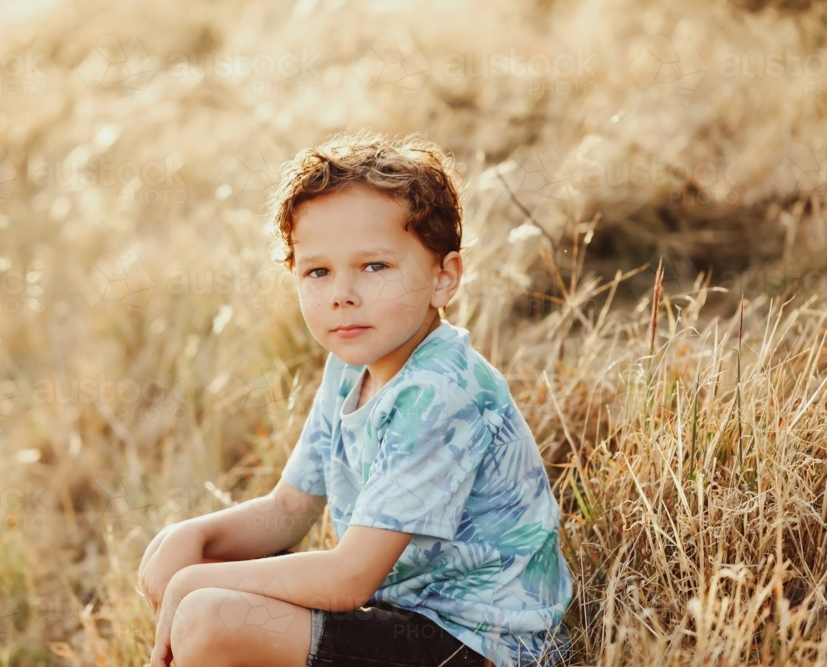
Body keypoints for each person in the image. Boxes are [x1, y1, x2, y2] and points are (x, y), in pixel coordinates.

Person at [139, 130, 573, 667]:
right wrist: (193, 538)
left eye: (374, 266)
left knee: (211, 618)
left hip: (479, 646)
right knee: (178, 564)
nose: (342, 293)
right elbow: (289, 510)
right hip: (402, 619)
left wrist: (195, 584)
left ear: (444, 278)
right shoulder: (350, 367)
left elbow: (348, 578)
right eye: (318, 271)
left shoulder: (439, 390)